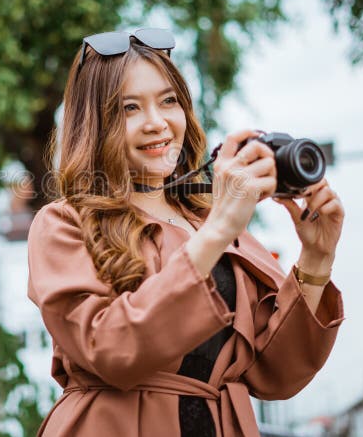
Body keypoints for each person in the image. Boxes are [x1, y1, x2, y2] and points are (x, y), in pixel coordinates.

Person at [27, 29, 345, 436]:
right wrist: (217, 231)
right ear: (96, 124)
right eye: (129, 108)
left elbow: (277, 374)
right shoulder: (64, 222)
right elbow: (111, 349)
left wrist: (317, 259)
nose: (156, 123)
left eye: (168, 101)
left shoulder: (209, 221)